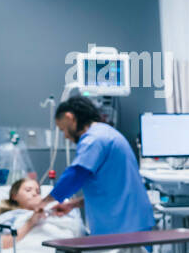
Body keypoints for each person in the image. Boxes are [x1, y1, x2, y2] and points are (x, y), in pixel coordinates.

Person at [38, 97, 155, 236]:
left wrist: (44, 203)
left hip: (122, 227)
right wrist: (73, 204)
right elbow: (109, 189)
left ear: (70, 118)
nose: (65, 136)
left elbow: (75, 175)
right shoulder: (106, 133)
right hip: (132, 221)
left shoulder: (94, 140)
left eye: (63, 129)